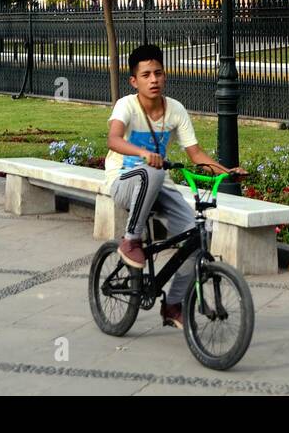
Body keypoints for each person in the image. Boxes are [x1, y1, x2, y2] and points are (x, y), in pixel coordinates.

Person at [105, 43, 246, 328]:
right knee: (152, 173)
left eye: (158, 73)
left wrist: (227, 171)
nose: (153, 79)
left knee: (198, 235)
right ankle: (131, 240)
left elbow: (196, 155)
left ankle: (173, 304)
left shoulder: (176, 110)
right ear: (134, 81)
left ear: (165, 76)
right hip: (123, 182)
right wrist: (143, 154)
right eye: (145, 75)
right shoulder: (126, 106)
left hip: (158, 186)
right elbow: (114, 140)